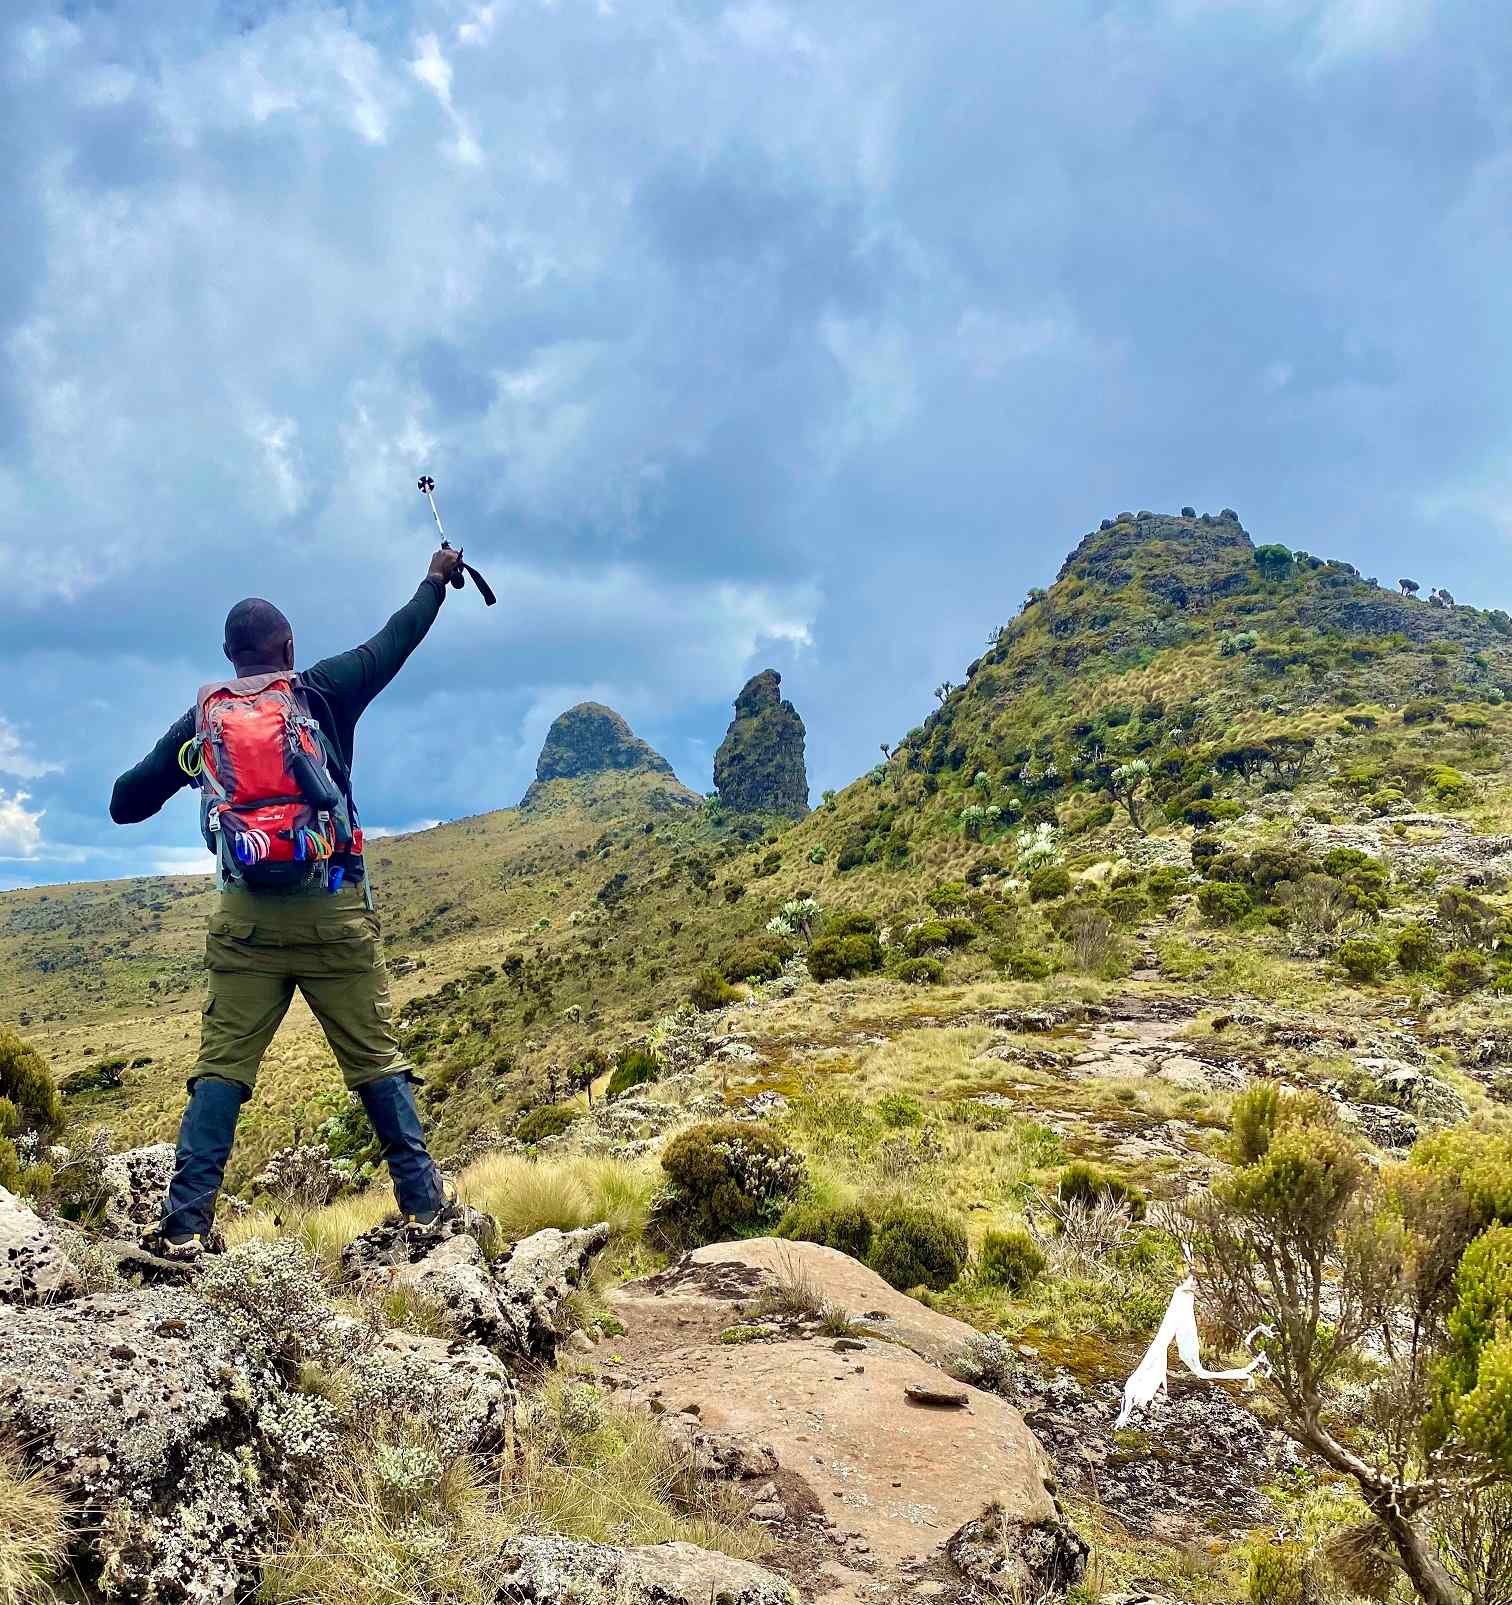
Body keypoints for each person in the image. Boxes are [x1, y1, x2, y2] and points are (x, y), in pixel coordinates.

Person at [109, 548, 465, 1259]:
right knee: (375, 1059)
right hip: (332, 909)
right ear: (288, 647)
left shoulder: (204, 721)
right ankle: (424, 1209)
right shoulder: (326, 689)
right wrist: (435, 580)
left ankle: (184, 1227)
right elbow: (396, 638)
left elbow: (124, 803)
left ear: (229, 656)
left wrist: (195, 762)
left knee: (222, 1068)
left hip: (245, 925)